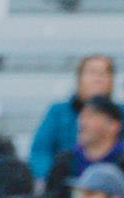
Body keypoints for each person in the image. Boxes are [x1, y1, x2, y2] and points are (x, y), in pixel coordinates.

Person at [29, 55, 116, 183]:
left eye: (104, 73)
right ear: (79, 78)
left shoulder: (122, 114)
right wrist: (53, 178)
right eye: (92, 72)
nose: (98, 79)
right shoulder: (58, 112)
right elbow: (40, 152)